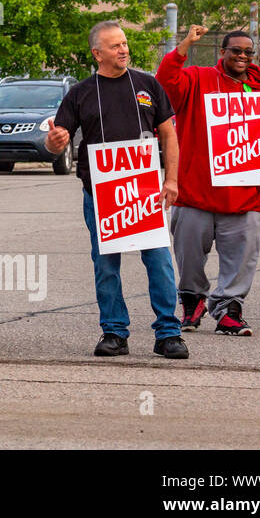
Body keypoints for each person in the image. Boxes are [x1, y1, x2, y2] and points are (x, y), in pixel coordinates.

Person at [46, 20, 188, 359]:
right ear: (97, 53)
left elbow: (168, 135)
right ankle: (114, 332)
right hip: (100, 196)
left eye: (124, 44)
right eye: (115, 46)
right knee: (106, 265)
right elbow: (57, 141)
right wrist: (54, 142)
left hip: (145, 193)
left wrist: (171, 180)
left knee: (159, 262)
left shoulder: (148, 85)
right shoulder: (81, 93)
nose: (123, 49)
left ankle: (169, 333)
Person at [155, 24, 260, 335]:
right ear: (222, 52)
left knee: (241, 260)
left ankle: (230, 309)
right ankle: (192, 301)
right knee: (188, 257)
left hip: (247, 194)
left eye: (247, 52)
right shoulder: (199, 79)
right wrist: (185, 44)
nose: (242, 56)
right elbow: (166, 82)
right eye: (235, 51)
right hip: (195, 191)